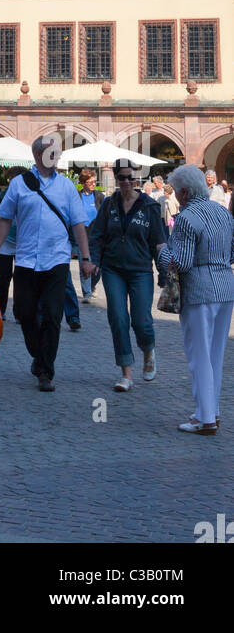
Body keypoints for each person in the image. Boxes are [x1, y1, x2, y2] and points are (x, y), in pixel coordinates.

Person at [0, 134, 93, 392]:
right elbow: (4, 219)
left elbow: (78, 224)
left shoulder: (67, 187)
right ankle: (38, 354)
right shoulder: (19, 185)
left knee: (52, 314)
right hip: (25, 259)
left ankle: (46, 370)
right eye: (50, 152)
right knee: (24, 313)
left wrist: (85, 258)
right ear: (37, 155)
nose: (55, 156)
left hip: (56, 259)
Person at [158, 164, 234, 434]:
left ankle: (206, 419)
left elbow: (182, 263)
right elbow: (232, 253)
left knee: (198, 356)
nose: (176, 196)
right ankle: (211, 412)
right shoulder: (223, 214)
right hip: (226, 289)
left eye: (177, 191)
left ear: (186, 192)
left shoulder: (187, 218)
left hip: (200, 292)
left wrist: (162, 252)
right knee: (215, 356)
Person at [89, 160, 167, 391]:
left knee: (141, 320)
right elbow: (97, 236)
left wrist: (163, 272)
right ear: (116, 179)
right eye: (121, 178)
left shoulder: (150, 206)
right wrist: (93, 261)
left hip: (140, 269)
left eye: (129, 178)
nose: (125, 182)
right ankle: (126, 373)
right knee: (118, 318)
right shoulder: (109, 205)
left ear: (136, 180)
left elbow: (160, 242)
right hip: (113, 269)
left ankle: (148, 349)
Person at [0, 166, 23, 319]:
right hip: (5, 244)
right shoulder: (1, 197)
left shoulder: (29, 196)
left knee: (21, 279)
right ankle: (0, 310)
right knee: (5, 277)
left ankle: (20, 312)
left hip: (23, 244)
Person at [76, 169, 104, 302]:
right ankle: (87, 293)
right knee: (84, 263)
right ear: (83, 183)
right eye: (90, 182)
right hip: (82, 235)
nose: (93, 184)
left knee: (99, 267)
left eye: (94, 181)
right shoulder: (77, 196)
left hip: (97, 236)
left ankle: (92, 285)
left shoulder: (99, 196)